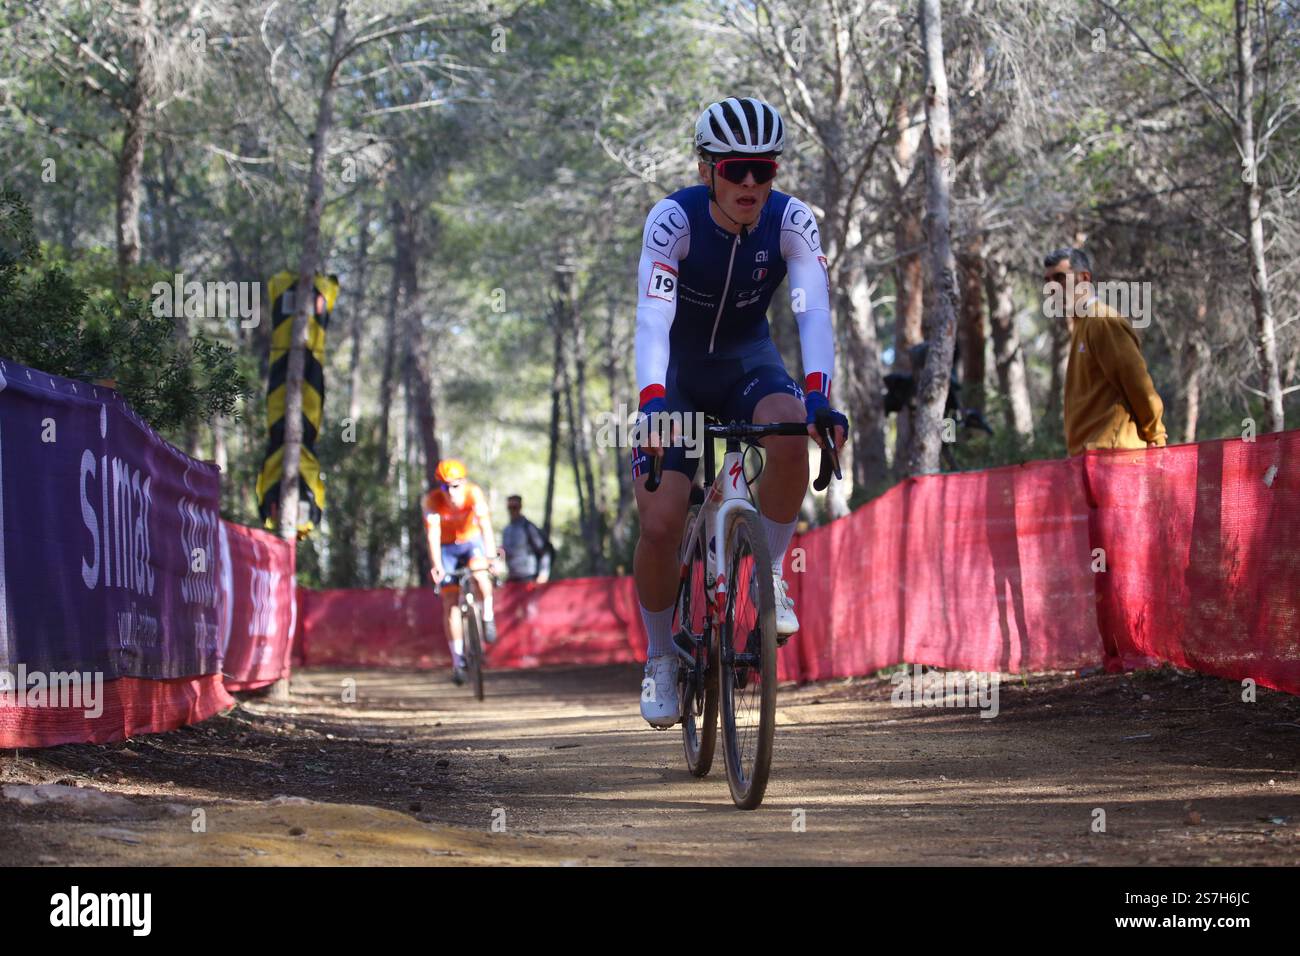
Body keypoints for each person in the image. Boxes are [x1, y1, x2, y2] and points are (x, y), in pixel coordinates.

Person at [632, 96, 848, 729]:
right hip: (677, 374)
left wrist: (818, 397)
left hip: (748, 364)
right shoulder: (672, 220)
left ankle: (770, 575)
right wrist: (650, 405)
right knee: (661, 522)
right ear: (708, 170)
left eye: (765, 169)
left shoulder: (793, 221)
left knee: (789, 436)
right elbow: (653, 318)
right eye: (736, 169)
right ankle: (660, 655)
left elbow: (812, 313)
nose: (751, 182)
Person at [1043, 247, 1167, 455]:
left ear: (1084, 278)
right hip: (1089, 459)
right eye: (1047, 281)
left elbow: (1138, 384)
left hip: (1115, 458)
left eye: (1059, 278)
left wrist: (1156, 435)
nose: (1052, 287)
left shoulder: (1102, 321)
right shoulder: (1081, 324)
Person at [422, 459, 500, 685]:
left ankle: (487, 615)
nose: (451, 492)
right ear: (440, 487)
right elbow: (433, 536)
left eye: (456, 486)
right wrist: (437, 565)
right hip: (447, 548)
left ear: (464, 483)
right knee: (450, 602)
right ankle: (458, 660)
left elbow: (485, 527)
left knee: (480, 573)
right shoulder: (433, 501)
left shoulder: (473, 494)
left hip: (471, 542)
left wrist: (492, 556)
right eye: (446, 487)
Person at [501, 495, 553, 584]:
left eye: (515, 507)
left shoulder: (528, 527)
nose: (512, 511)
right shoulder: (506, 530)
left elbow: (544, 551)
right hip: (512, 578)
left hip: (529, 577)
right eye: (510, 508)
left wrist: (544, 573)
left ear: (520, 507)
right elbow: (504, 553)